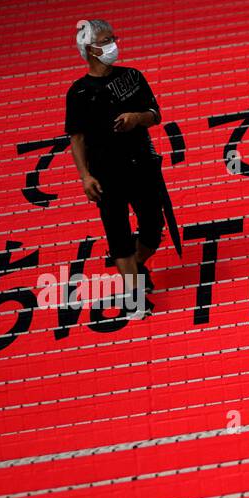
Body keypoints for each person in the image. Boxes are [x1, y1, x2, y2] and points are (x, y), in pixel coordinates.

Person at [65, 19, 171, 313]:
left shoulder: (133, 77)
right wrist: (85, 176)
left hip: (140, 166)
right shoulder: (79, 93)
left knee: (152, 229)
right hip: (105, 174)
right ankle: (135, 299)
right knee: (118, 236)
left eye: (114, 38)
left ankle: (137, 265)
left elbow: (155, 114)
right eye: (106, 40)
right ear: (90, 49)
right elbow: (77, 137)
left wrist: (136, 118)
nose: (113, 45)